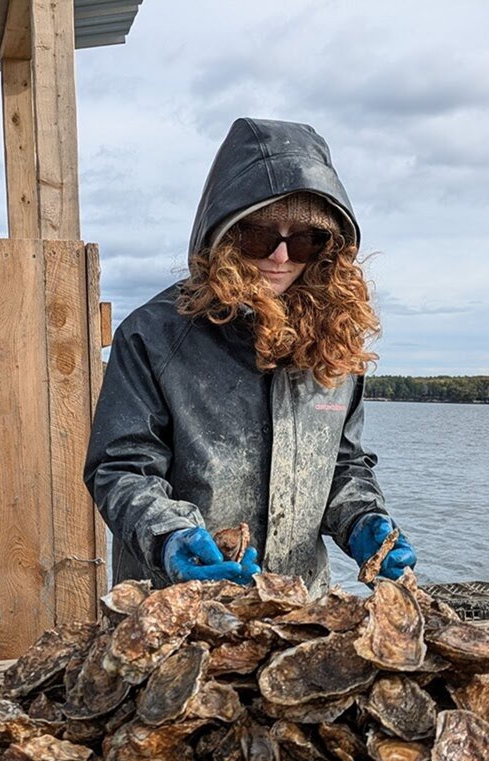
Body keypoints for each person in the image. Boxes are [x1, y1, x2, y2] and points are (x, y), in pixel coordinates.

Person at [84, 117, 415, 593]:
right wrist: (169, 536)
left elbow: (343, 465)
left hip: (298, 612)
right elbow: (122, 467)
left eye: (303, 239)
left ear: (328, 249)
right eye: (260, 235)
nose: (280, 257)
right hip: (177, 611)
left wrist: (365, 519)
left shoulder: (335, 342)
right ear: (224, 233)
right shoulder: (152, 337)